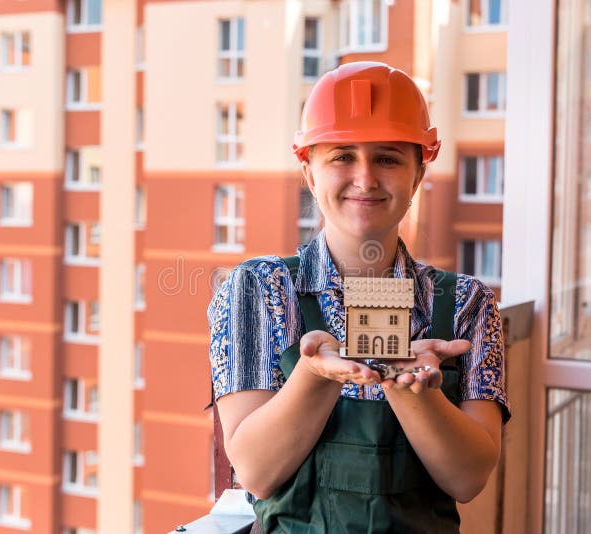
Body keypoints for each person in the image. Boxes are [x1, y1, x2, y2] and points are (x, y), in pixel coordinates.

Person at [208, 61, 510, 533]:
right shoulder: (258, 291)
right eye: (342, 156)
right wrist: (313, 375)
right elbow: (256, 473)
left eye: (388, 158)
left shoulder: (467, 303)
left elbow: (468, 479)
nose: (365, 178)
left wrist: (406, 387)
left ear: (416, 175)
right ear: (309, 172)